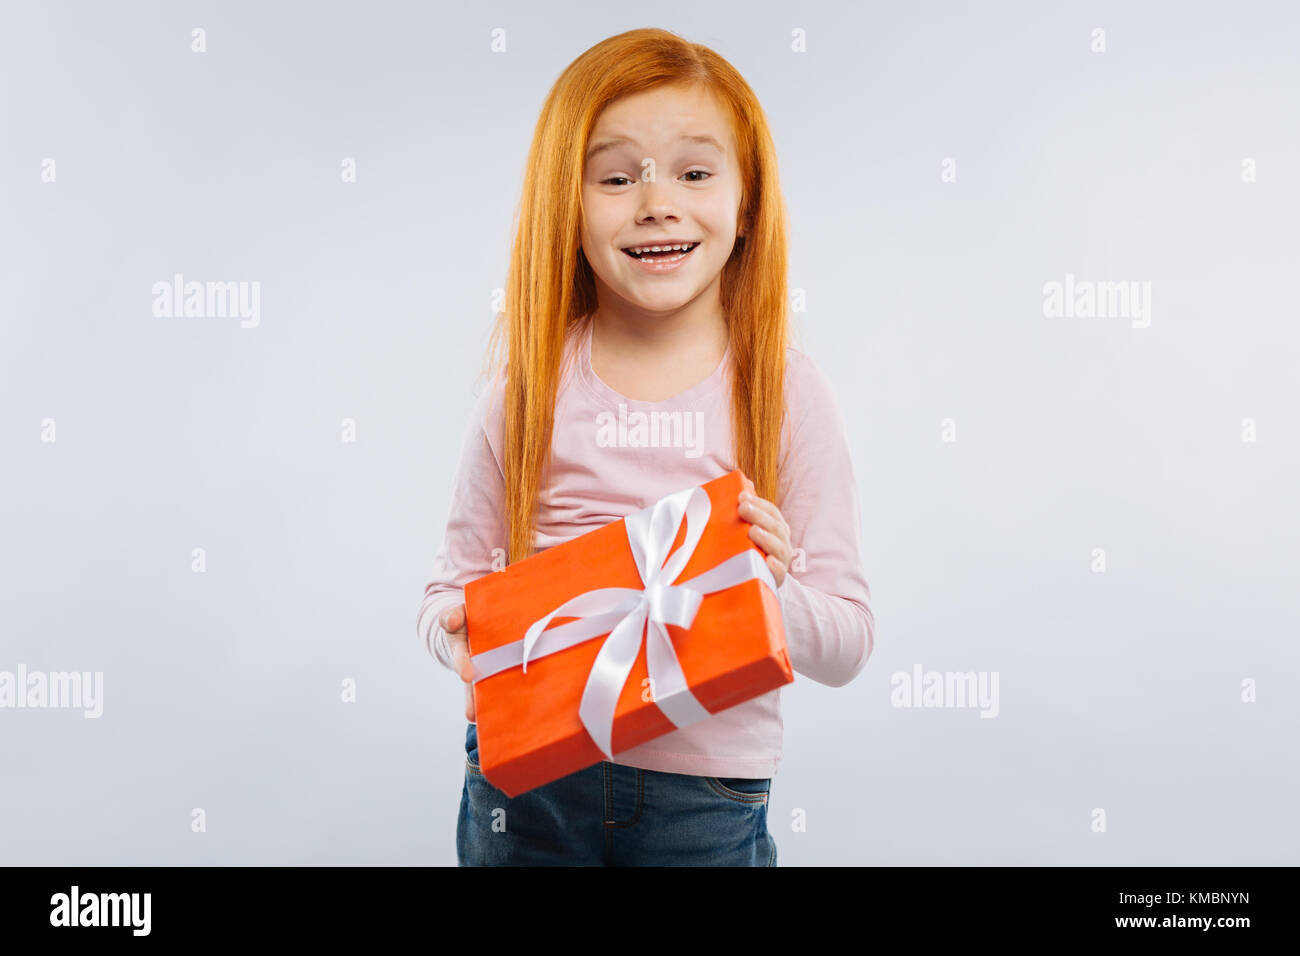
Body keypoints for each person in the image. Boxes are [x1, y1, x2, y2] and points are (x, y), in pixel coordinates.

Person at [416, 27, 874, 866]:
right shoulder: (527, 390)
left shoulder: (785, 393)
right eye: (618, 177)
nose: (656, 202)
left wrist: (763, 593)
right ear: (569, 206)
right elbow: (448, 590)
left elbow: (846, 641)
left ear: (747, 203)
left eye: (696, 172)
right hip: (527, 788)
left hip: (704, 802)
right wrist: (460, 639)